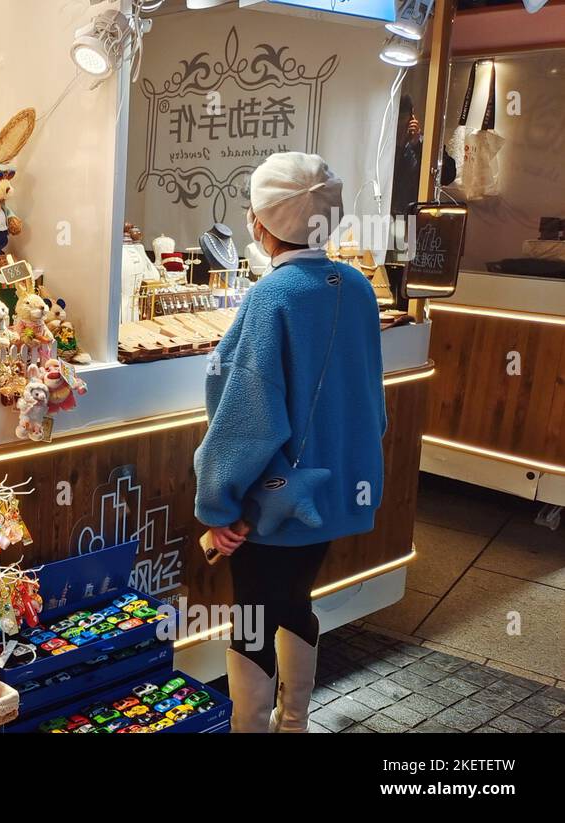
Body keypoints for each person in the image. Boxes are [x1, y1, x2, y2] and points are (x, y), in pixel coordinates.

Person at [194, 152, 386, 733]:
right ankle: (292, 722)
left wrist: (219, 505)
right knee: (295, 599)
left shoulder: (271, 297)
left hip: (269, 502)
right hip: (333, 494)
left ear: (259, 221)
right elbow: (370, 402)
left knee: (253, 618)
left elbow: (246, 418)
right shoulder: (356, 286)